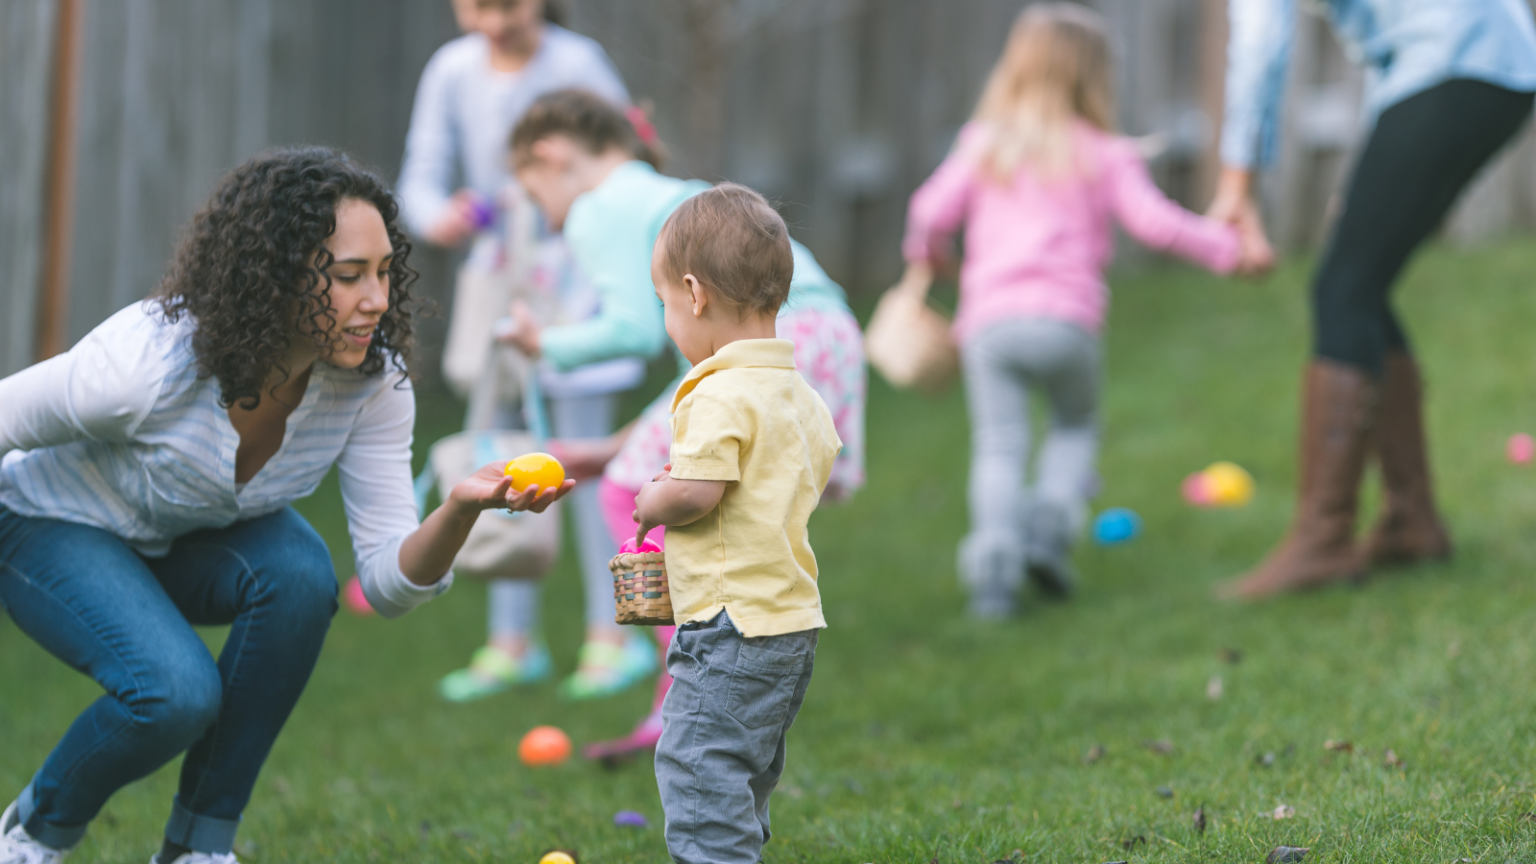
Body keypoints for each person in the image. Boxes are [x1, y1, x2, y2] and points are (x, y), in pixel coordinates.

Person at [0, 148, 571, 864]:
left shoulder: (371, 386)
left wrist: (459, 507)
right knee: (173, 693)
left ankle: (197, 848)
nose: (377, 300)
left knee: (301, 572)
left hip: (174, 536)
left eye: (386, 271)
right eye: (348, 276)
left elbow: (391, 587)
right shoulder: (146, 364)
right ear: (273, 277)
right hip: (48, 524)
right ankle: (32, 834)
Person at [503, 88, 865, 753]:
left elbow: (638, 331)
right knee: (743, 500)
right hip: (826, 336)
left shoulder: (598, 207)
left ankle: (693, 678)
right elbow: (698, 408)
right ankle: (745, 657)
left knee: (624, 493)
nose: (546, 216)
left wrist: (544, 344)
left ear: (551, 158)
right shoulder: (672, 192)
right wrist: (615, 446)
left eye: (534, 194)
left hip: (771, 344)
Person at [901, 3, 1244, 618]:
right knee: (1073, 426)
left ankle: (994, 579)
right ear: (1095, 77)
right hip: (1067, 324)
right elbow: (1156, 224)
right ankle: (1049, 534)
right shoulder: (1105, 153)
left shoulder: (984, 145)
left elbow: (929, 213)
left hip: (991, 324)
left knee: (1000, 445)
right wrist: (1226, 248)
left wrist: (929, 256)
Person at [1210, 0, 1536, 599]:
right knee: (1360, 281)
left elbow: (1260, 42)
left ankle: (1323, 540)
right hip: (1493, 58)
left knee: (1343, 288)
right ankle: (1411, 521)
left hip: (1456, 59)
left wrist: (1237, 185)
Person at [397, 0, 649, 701]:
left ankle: (614, 636)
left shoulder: (577, 63)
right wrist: (438, 215)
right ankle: (512, 642)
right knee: (503, 458)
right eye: (476, 6)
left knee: (592, 460)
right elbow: (420, 175)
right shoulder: (451, 69)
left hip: (576, 281)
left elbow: (620, 158)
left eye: (506, 5)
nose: (493, 22)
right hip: (501, 288)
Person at [632, 183, 840, 864]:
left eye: (665, 304)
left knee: (697, 773)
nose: (670, 320)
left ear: (694, 294)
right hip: (790, 623)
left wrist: (652, 502)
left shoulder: (718, 391)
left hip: (730, 624)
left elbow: (696, 494)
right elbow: (814, 470)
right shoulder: (797, 392)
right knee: (741, 777)